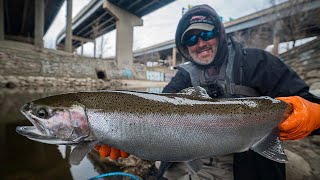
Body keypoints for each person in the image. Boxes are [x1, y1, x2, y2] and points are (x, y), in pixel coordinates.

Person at [95, 4, 320, 180]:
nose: (199, 43)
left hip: (247, 167)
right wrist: (121, 133)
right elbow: (155, 112)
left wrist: (313, 112)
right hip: (188, 164)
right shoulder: (183, 76)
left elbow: (308, 101)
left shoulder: (257, 62)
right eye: (191, 39)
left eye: (206, 33)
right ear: (184, 47)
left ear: (220, 33)